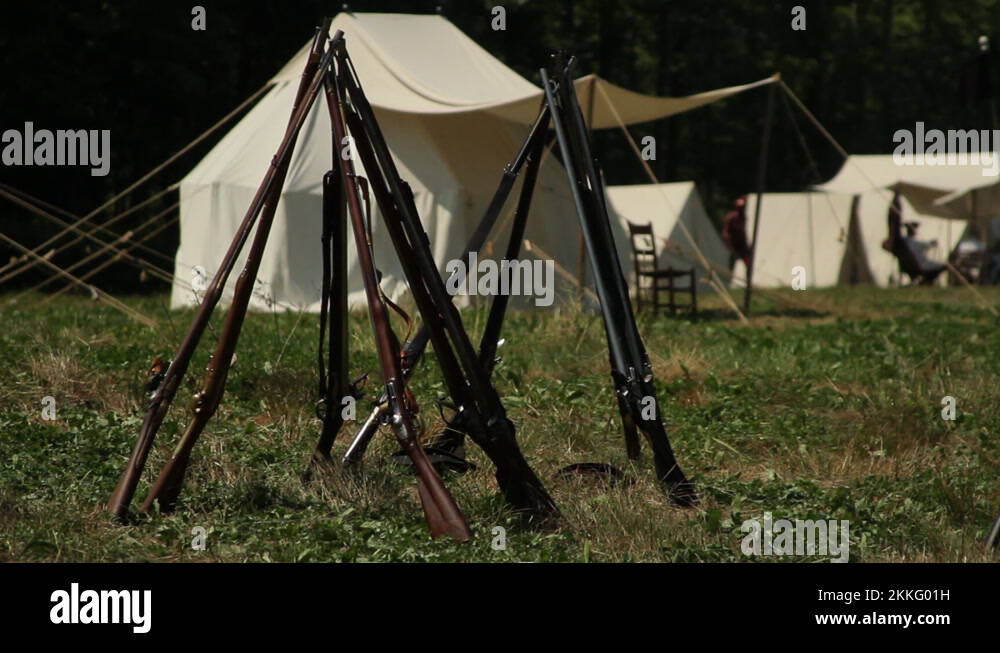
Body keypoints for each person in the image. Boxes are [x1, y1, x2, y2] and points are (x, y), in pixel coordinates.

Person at [721, 195, 751, 268]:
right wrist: (728, 242)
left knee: (748, 262)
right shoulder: (731, 217)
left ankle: (748, 277)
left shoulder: (743, 217)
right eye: (740, 208)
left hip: (742, 243)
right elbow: (725, 231)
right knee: (732, 261)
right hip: (733, 243)